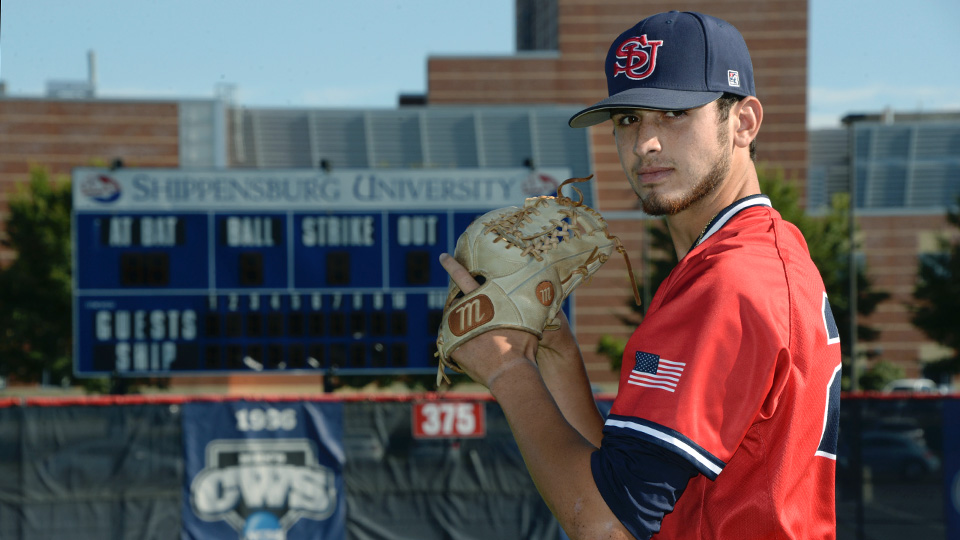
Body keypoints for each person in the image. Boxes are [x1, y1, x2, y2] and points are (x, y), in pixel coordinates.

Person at [439, 10, 841, 540]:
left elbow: (605, 528)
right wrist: (553, 350)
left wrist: (507, 372)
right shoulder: (761, 250)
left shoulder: (728, 282)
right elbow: (618, 487)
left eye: (673, 114)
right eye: (629, 119)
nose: (645, 143)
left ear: (743, 121)